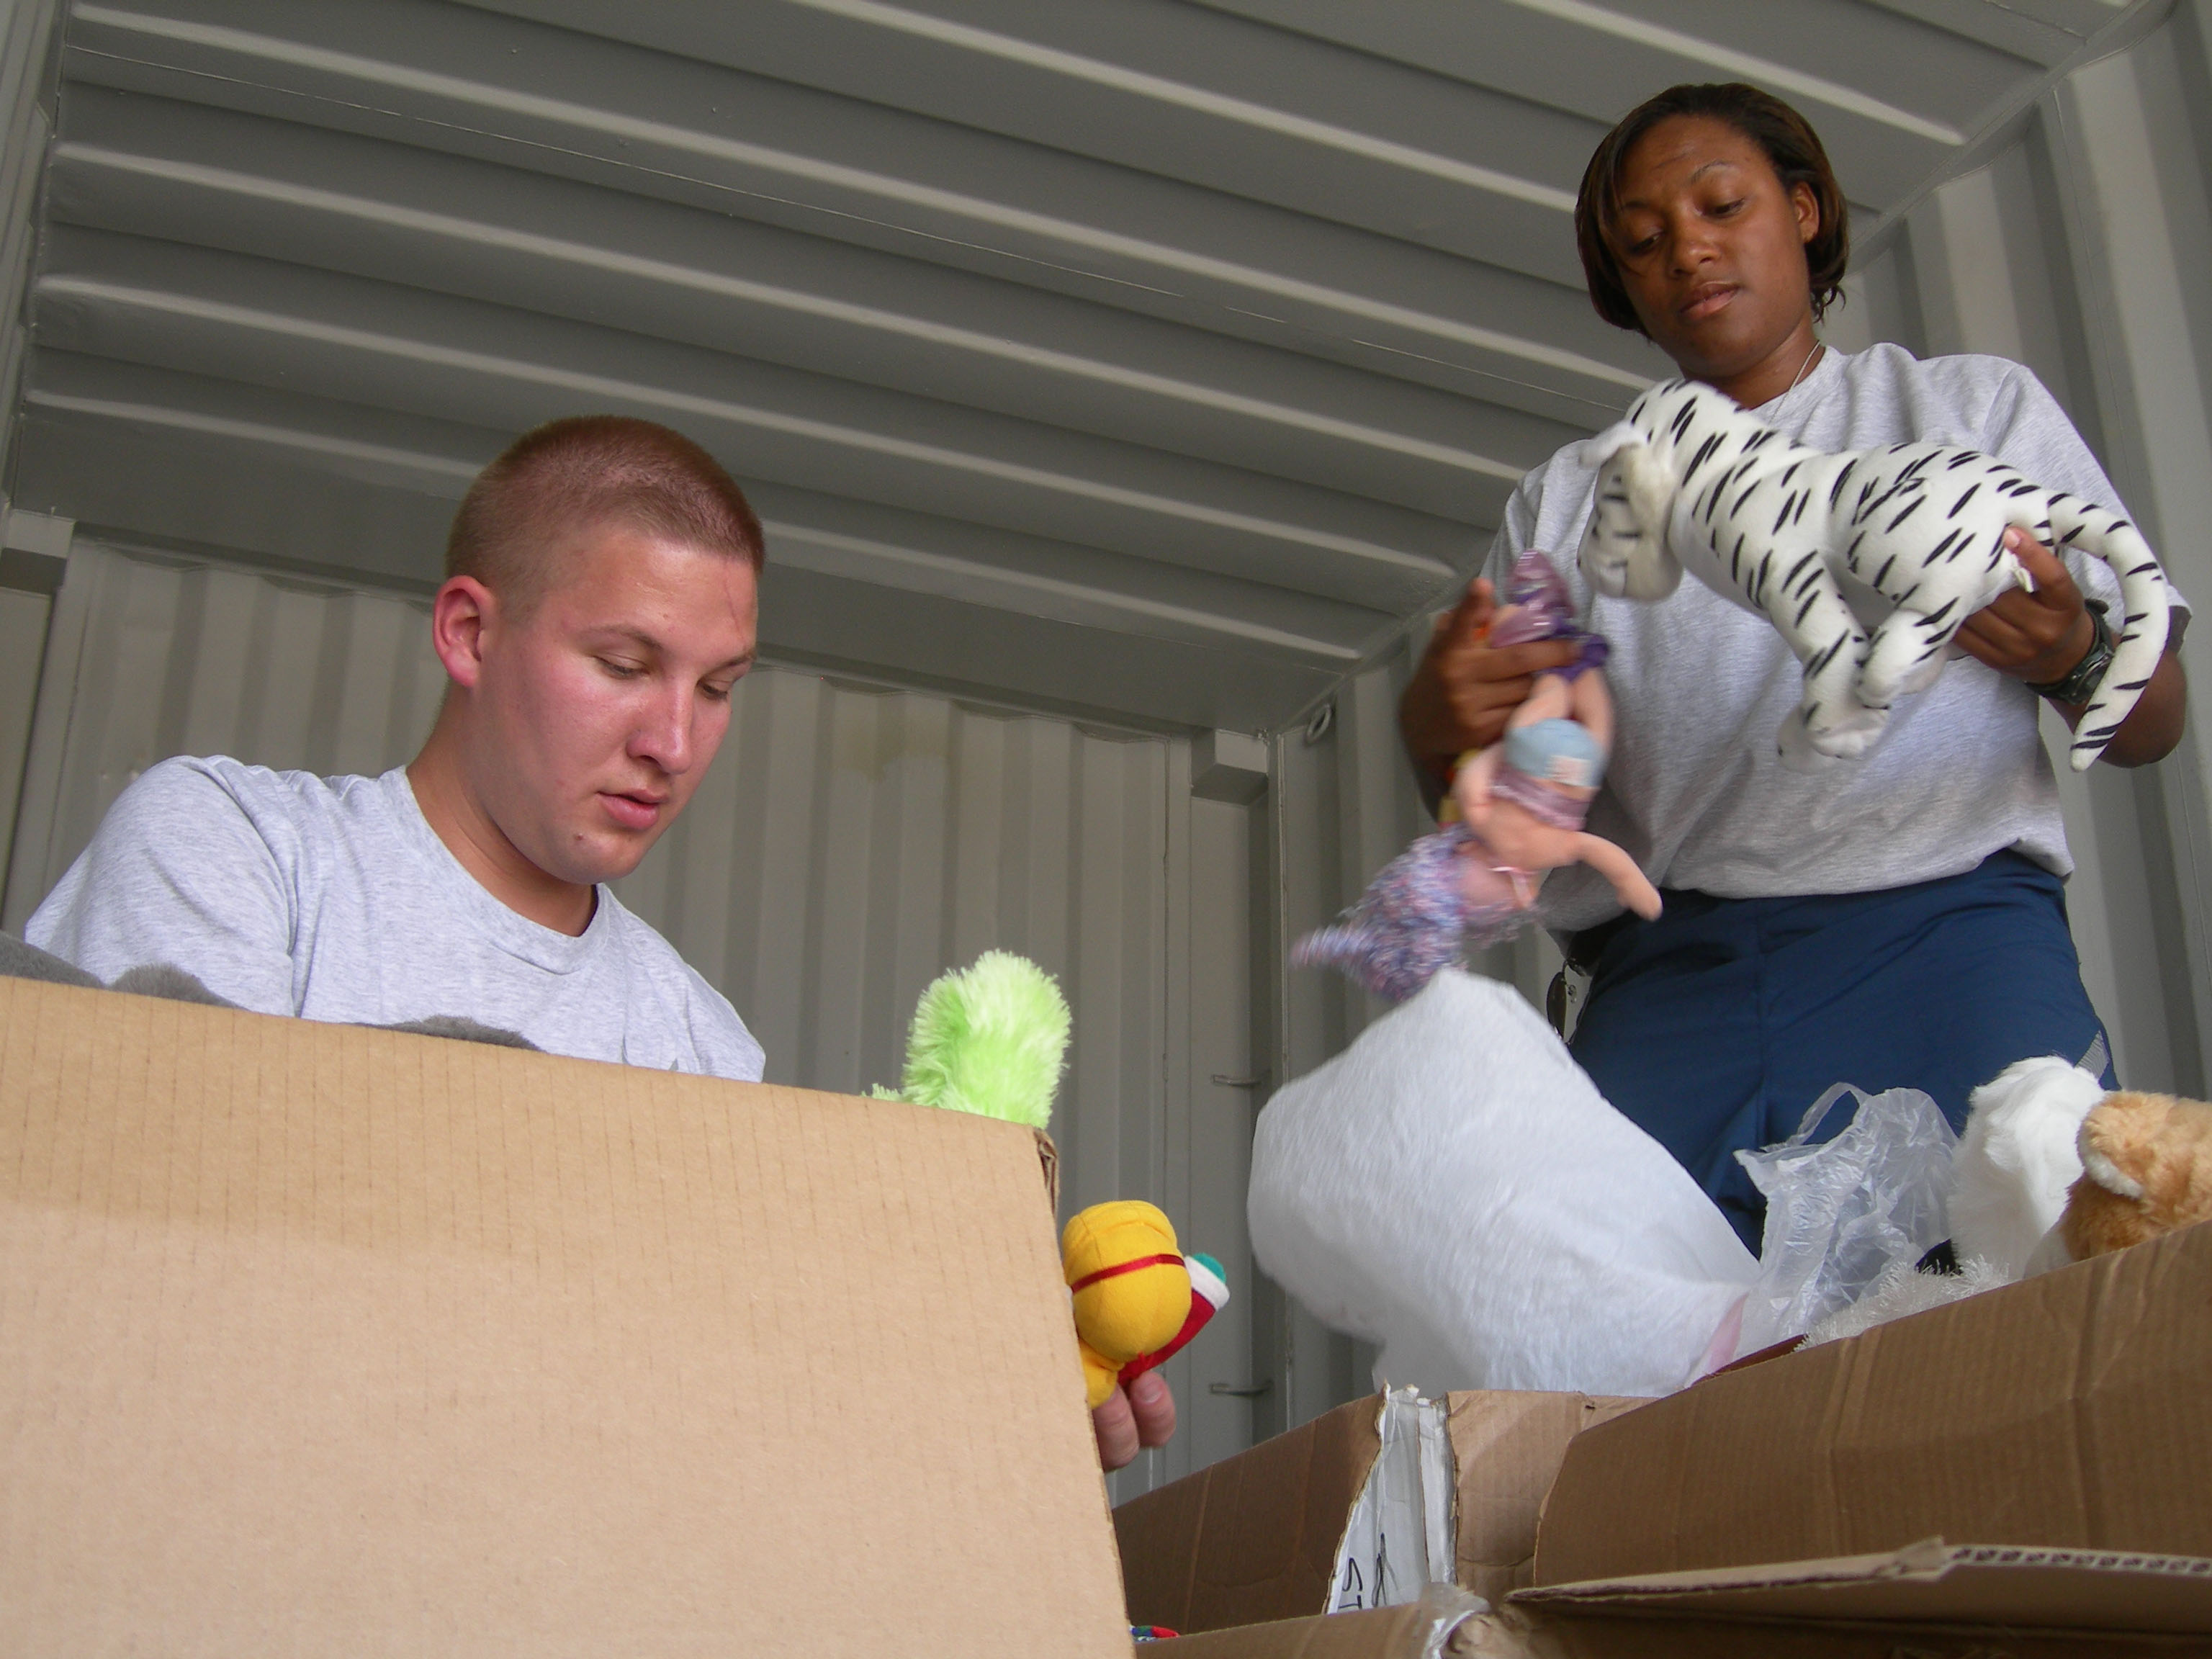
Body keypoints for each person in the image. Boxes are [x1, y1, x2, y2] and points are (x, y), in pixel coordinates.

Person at [25, 411, 1177, 1467]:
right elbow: (153, 1275)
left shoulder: (699, 1044)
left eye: (718, 687)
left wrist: (984, 1417)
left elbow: (703, 1437)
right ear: (470, 632)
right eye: (625, 667)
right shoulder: (236, 850)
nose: (673, 741)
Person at [1398, 83, 2189, 1251]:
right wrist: (1434, 730)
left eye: (1722, 205)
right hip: (1673, 979)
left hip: (1953, 941)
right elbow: (1512, 829)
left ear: (1807, 210)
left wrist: (2075, 652)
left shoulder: (1966, 408)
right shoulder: (1572, 499)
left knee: (2020, 1302)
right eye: (1644, 241)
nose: (1689, 252)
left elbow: (2155, 718)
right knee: (1621, 1354)